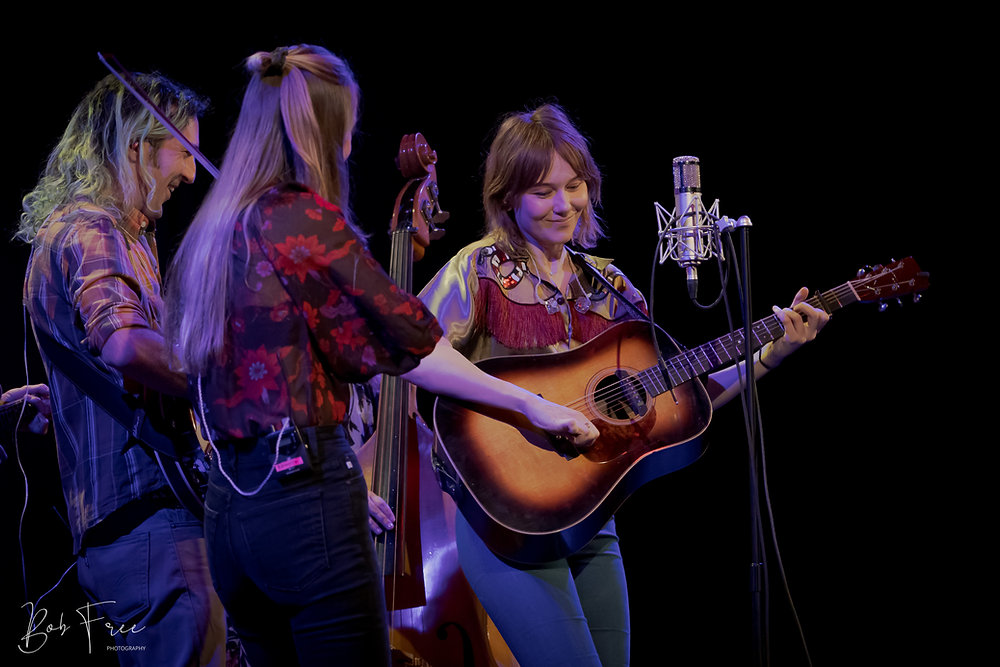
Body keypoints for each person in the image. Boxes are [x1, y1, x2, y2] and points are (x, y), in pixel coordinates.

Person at [164, 45, 597, 666]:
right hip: (304, 500)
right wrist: (533, 407)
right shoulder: (301, 218)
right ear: (328, 131)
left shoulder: (214, 227)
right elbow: (413, 343)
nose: (348, 149)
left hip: (231, 518)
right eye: (346, 130)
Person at [416, 103, 830, 667]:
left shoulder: (607, 286)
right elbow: (409, 351)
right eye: (542, 191)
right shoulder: (478, 271)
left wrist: (773, 353)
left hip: (592, 519)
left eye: (575, 185)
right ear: (508, 196)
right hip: (506, 524)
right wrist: (532, 407)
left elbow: (691, 397)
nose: (564, 204)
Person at [19, 72, 228, 665]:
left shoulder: (97, 231)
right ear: (136, 145)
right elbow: (124, 344)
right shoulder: (95, 226)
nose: (191, 172)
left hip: (125, 535)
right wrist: (232, 382)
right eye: (182, 151)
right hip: (153, 527)